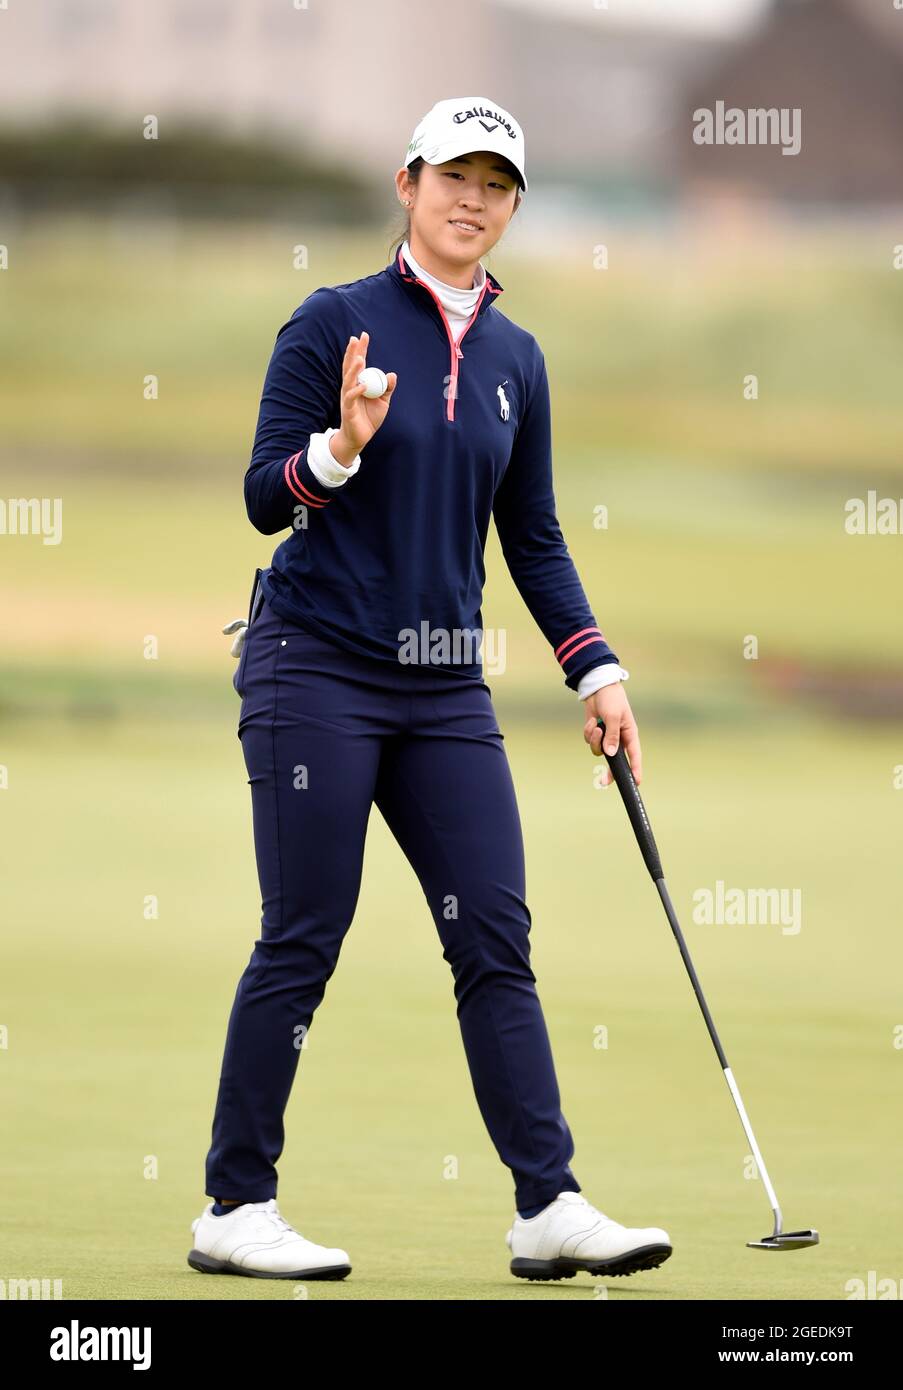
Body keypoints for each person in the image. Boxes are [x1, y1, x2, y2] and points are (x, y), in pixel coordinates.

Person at [188, 97, 672, 1285]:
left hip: (447, 688)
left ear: (512, 207)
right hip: (316, 667)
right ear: (407, 183)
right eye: (453, 175)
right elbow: (264, 492)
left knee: (495, 937)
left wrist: (595, 669)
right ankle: (233, 1205)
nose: (474, 199)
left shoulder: (518, 358)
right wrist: (341, 448)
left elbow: (535, 535)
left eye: (497, 184)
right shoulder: (333, 322)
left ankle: (547, 1205)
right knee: (305, 932)